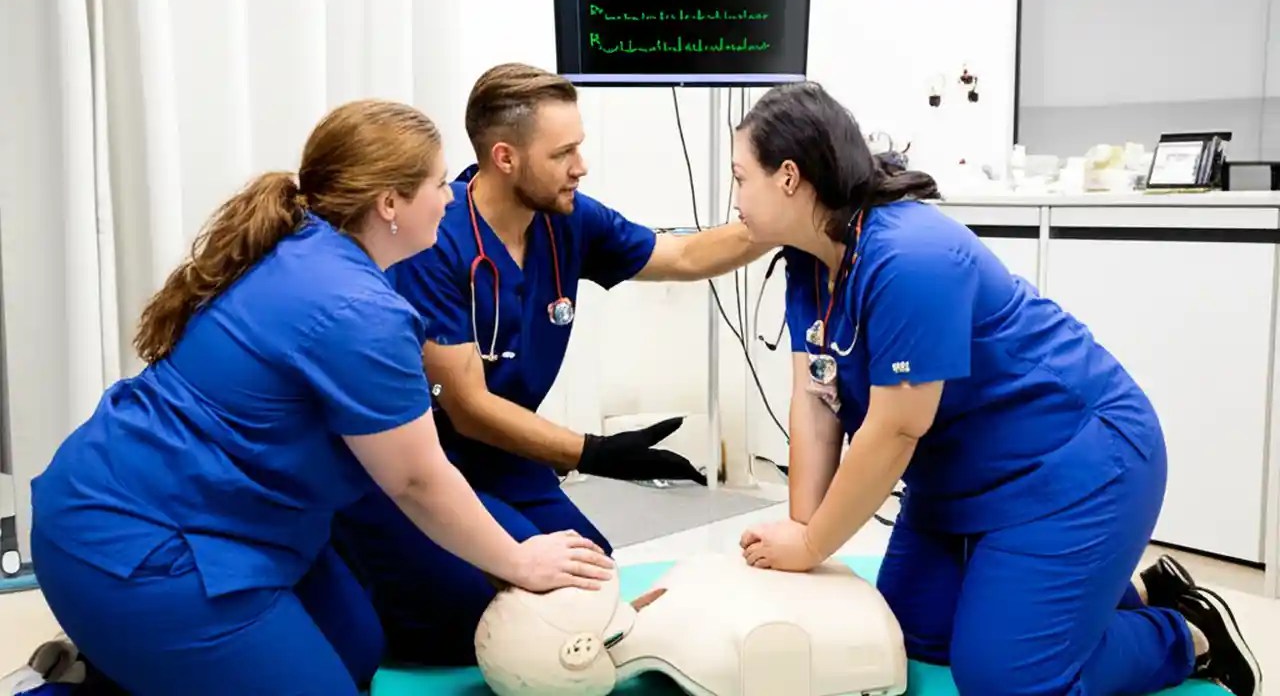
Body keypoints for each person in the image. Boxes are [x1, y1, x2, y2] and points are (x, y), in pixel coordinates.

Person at [27, 99, 615, 696]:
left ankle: (126, 664)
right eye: (439, 184)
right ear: (389, 204)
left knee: (357, 646)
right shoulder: (360, 309)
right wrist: (519, 561)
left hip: (221, 511)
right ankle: (87, 678)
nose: (449, 197)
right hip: (140, 542)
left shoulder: (307, 242)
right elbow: (414, 481)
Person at [732, 82, 1262, 696]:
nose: (736, 197)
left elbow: (895, 427)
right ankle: (1132, 591)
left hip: (1074, 466)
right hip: (959, 477)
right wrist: (802, 534)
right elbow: (815, 401)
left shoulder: (910, 257)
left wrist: (812, 542)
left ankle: (1184, 633)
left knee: (1004, 677)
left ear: (790, 178)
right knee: (909, 632)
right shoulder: (807, 261)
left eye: (742, 178)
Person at [332, 63, 772, 666]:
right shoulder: (435, 240)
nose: (581, 166)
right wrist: (594, 452)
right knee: (473, 621)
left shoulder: (568, 220)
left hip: (508, 464)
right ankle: (355, 571)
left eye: (580, 148)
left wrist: (780, 220)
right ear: (506, 157)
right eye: (563, 152)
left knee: (588, 578)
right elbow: (467, 408)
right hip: (423, 462)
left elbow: (686, 253)